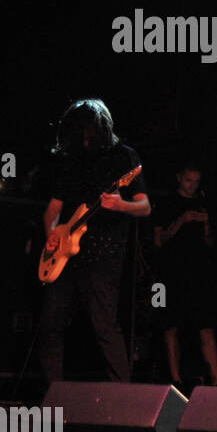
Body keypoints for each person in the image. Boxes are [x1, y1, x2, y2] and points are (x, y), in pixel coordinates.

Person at [39, 99, 149, 384]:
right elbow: (53, 209)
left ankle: (122, 398)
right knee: (50, 324)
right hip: (67, 254)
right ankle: (55, 397)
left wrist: (120, 205)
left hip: (105, 253)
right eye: (80, 133)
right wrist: (52, 232)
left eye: (89, 133)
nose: (85, 140)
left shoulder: (124, 157)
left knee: (104, 326)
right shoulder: (72, 161)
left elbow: (145, 206)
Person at [151, 164, 217, 386]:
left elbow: (210, 243)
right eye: (188, 180)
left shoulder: (203, 202)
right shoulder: (166, 203)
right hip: (172, 273)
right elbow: (158, 240)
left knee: (205, 326)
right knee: (171, 324)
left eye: (197, 181)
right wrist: (182, 220)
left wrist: (206, 223)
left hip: (199, 273)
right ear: (179, 178)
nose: (192, 186)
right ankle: (175, 378)